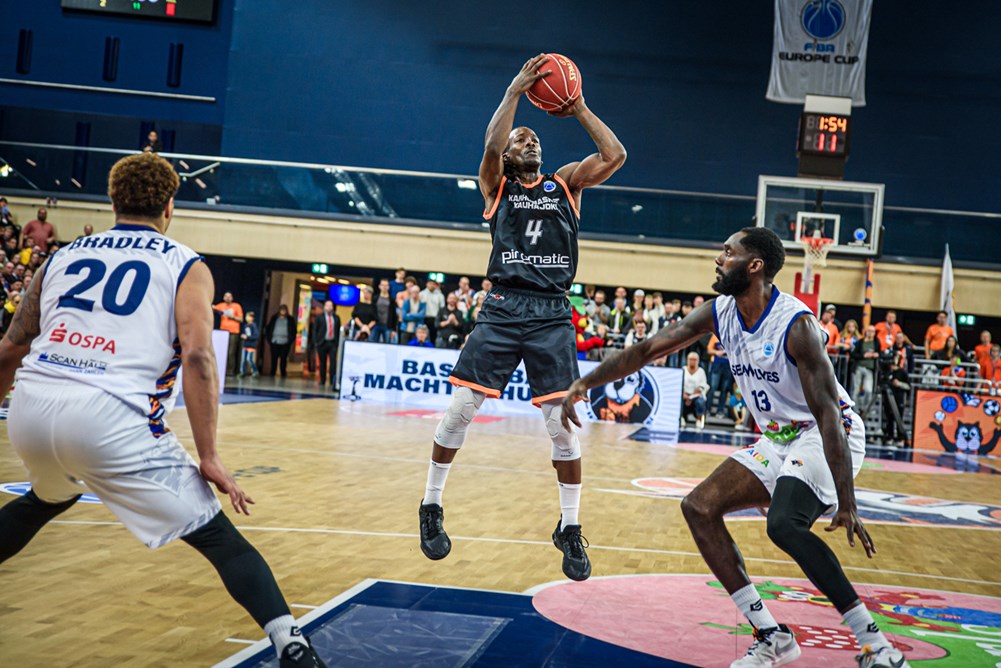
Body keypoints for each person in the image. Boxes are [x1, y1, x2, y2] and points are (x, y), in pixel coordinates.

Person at [0, 153, 325, 667]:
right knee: (220, 538)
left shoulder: (60, 257)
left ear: (112, 203)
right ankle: (293, 645)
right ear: (170, 207)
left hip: (31, 409)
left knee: (46, 498)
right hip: (110, 417)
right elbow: (197, 354)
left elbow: (9, 350)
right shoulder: (184, 264)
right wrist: (210, 455)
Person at [560, 227, 907, 668]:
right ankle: (771, 635)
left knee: (783, 525)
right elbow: (648, 348)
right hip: (780, 437)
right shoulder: (720, 311)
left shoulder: (797, 327)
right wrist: (585, 382)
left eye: (728, 252)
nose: (718, 259)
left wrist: (847, 500)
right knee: (699, 507)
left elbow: (828, 417)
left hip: (827, 433)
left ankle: (877, 645)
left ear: (754, 265)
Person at [418, 54, 626, 582]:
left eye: (533, 138)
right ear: (508, 157)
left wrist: (576, 107)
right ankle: (431, 504)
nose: (527, 141)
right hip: (504, 308)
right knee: (461, 409)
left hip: (553, 312)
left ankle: (571, 527)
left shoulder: (565, 185)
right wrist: (513, 91)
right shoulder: (497, 186)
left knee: (561, 425)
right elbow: (491, 146)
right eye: (520, 140)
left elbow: (615, 153)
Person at [310, 300, 340, 391]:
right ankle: (322, 380)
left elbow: (338, 330)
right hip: (322, 342)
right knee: (322, 362)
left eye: (331, 306)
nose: (329, 307)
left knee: (333, 363)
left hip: (332, 343)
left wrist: (337, 342)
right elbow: (315, 330)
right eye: (327, 305)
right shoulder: (319, 318)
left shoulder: (336, 318)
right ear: (324, 307)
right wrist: (316, 342)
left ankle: (332, 381)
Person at [850, 325, 880, 417]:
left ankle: (865, 408)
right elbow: (853, 354)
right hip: (859, 367)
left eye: (872, 331)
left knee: (868, 390)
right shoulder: (861, 342)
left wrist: (876, 354)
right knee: (856, 390)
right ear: (865, 331)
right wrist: (864, 355)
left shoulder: (876, 343)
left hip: (869, 369)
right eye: (869, 331)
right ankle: (856, 410)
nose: (871, 333)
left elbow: (880, 353)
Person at [213, 292, 243, 376]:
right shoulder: (221, 305)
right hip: (223, 331)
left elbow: (241, 319)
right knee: (223, 351)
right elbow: (213, 308)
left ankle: (230, 371)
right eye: (226, 296)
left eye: (229, 296)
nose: (228, 298)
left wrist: (232, 316)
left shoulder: (236, 306)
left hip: (233, 332)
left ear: (232, 298)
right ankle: (221, 369)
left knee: (231, 352)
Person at [681, 351, 709, 429]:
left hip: (696, 395)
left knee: (701, 401)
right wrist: (684, 394)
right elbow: (679, 384)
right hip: (684, 394)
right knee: (678, 399)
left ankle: (699, 420)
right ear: (687, 360)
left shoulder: (701, 371)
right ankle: (681, 418)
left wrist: (691, 396)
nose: (692, 361)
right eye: (690, 359)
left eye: (694, 359)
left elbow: (702, 386)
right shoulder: (683, 369)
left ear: (698, 361)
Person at [265, 305, 294, 378]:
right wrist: (269, 338)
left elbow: (293, 330)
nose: (283, 312)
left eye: (284, 310)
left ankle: (283, 373)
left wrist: (290, 340)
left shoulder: (290, 319)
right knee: (274, 358)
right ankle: (272, 373)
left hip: (285, 342)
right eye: (281, 310)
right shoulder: (274, 318)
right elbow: (269, 328)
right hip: (274, 341)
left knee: (283, 359)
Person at [370, 279, 398, 344]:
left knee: (387, 344)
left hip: (387, 326)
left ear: (388, 287)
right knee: (372, 343)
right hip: (376, 325)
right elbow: (372, 311)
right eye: (383, 285)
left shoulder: (391, 300)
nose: (384, 287)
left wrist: (394, 329)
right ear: (379, 286)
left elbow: (394, 315)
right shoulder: (375, 298)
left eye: (386, 285)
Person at [240, 311, 260, 377]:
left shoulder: (253, 326)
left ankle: (255, 371)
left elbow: (256, 335)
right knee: (243, 359)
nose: (247, 318)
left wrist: (248, 337)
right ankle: (242, 371)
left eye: (248, 316)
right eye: (246, 316)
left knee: (249, 359)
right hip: (246, 345)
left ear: (252, 318)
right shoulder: (246, 326)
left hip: (251, 345)